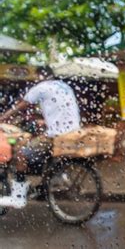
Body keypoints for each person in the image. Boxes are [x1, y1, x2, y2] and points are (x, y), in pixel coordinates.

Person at [0, 66, 81, 208]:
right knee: (42, 148)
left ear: (41, 75)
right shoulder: (64, 86)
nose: (35, 80)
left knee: (21, 154)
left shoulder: (41, 87)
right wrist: (44, 121)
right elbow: (62, 108)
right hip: (73, 131)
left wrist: (3, 117)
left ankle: (18, 197)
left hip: (57, 135)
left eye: (37, 77)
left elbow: (21, 105)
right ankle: (46, 185)